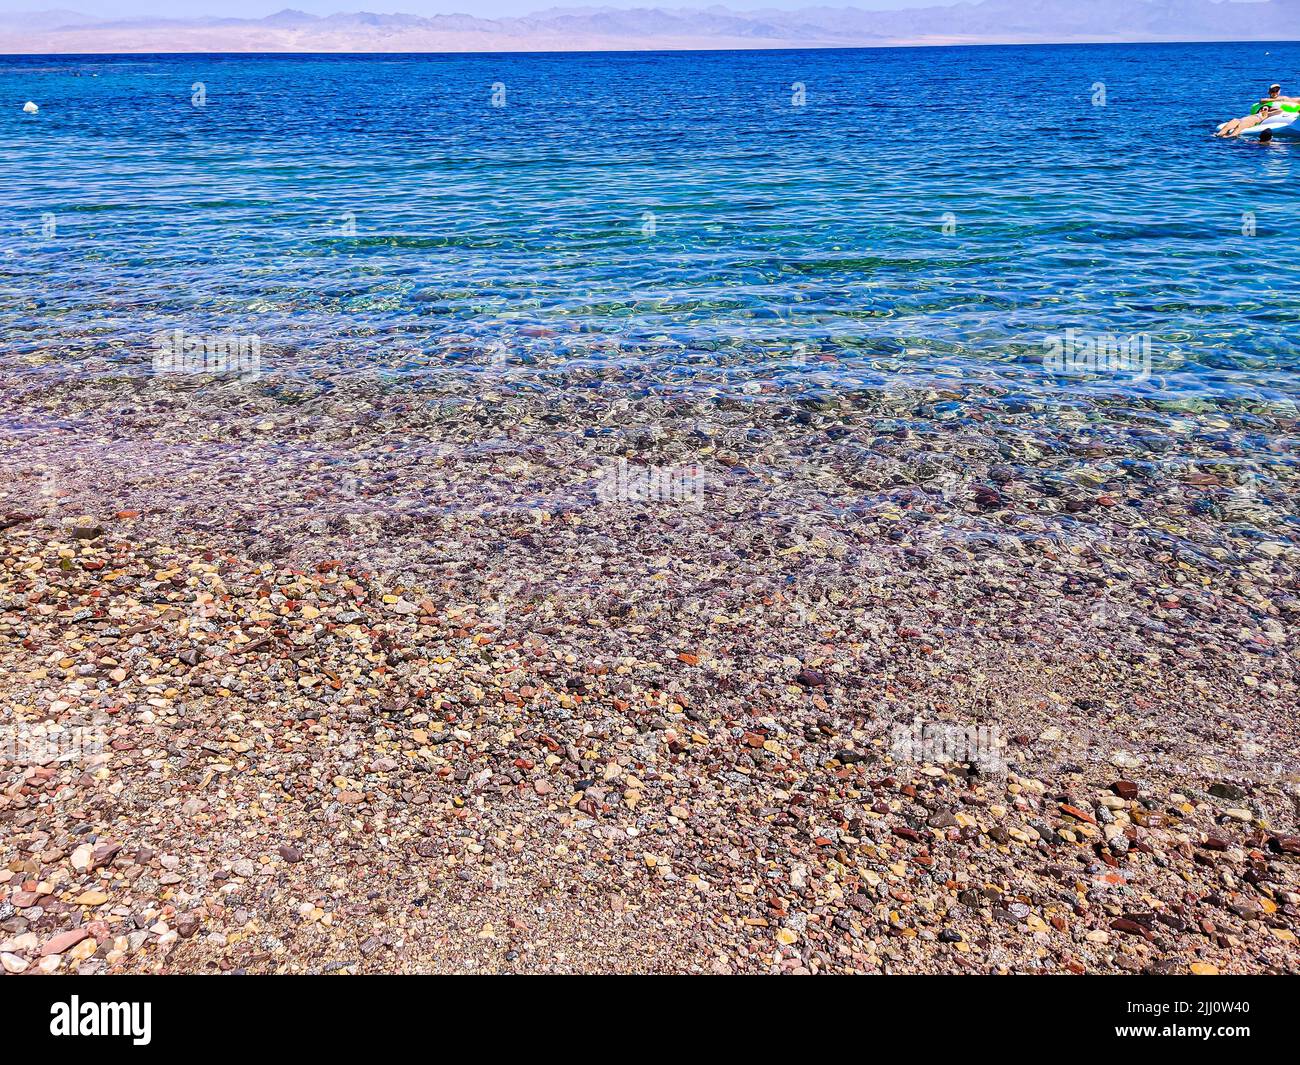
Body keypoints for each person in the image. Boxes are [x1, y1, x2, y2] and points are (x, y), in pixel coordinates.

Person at [1217, 84, 1300, 138]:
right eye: (1273, 91)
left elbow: (1294, 100)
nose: (1275, 93)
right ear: (1269, 92)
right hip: (1259, 117)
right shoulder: (1265, 101)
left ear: (1279, 91)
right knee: (1237, 120)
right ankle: (1227, 135)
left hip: (1262, 117)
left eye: (1276, 91)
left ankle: (1228, 135)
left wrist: (1283, 100)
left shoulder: (1286, 100)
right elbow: (1263, 101)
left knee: (1242, 121)